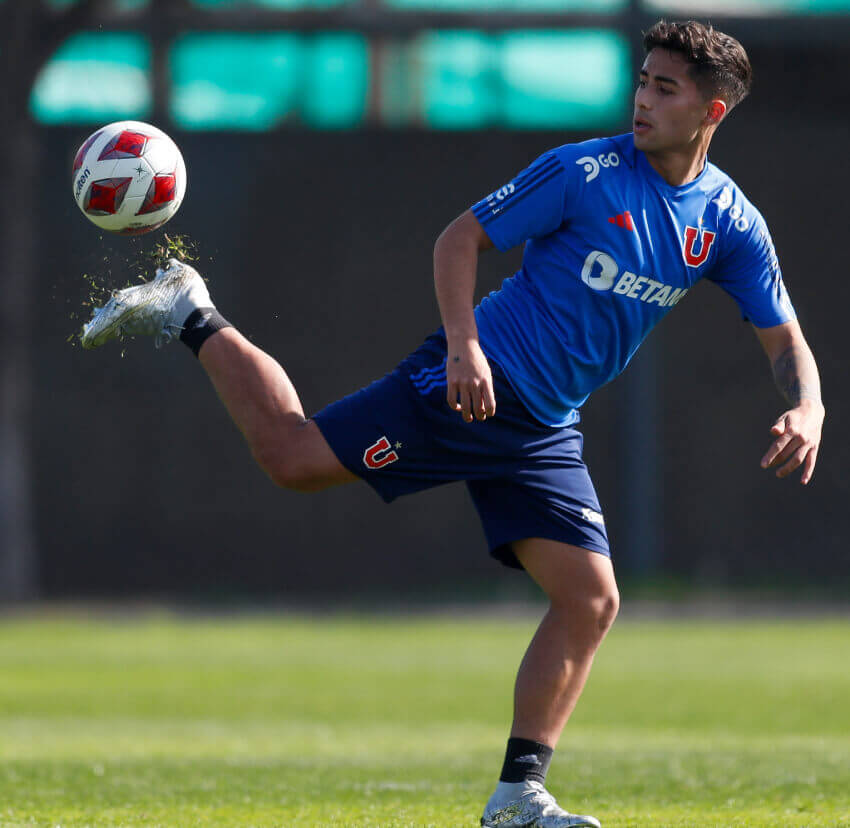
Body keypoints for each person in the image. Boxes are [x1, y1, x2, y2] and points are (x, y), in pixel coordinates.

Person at [81, 20, 824, 828]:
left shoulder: (728, 221)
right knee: (290, 458)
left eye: (665, 88)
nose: (642, 99)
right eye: (643, 80)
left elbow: (786, 338)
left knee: (590, 600)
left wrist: (809, 405)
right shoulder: (585, 171)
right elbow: (458, 239)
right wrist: (466, 347)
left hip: (543, 427)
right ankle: (191, 309)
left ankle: (517, 798)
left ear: (711, 111)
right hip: (467, 387)